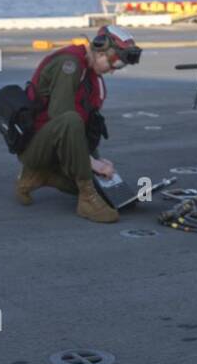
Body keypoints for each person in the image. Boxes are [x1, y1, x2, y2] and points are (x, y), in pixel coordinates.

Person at [15, 24, 142, 223]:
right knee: (70, 119)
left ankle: (39, 177)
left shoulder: (91, 74)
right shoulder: (70, 65)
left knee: (104, 190)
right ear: (100, 50)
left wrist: (96, 162)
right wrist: (94, 164)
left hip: (56, 145)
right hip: (35, 147)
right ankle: (87, 199)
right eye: (115, 64)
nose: (113, 71)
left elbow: (86, 126)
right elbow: (63, 120)